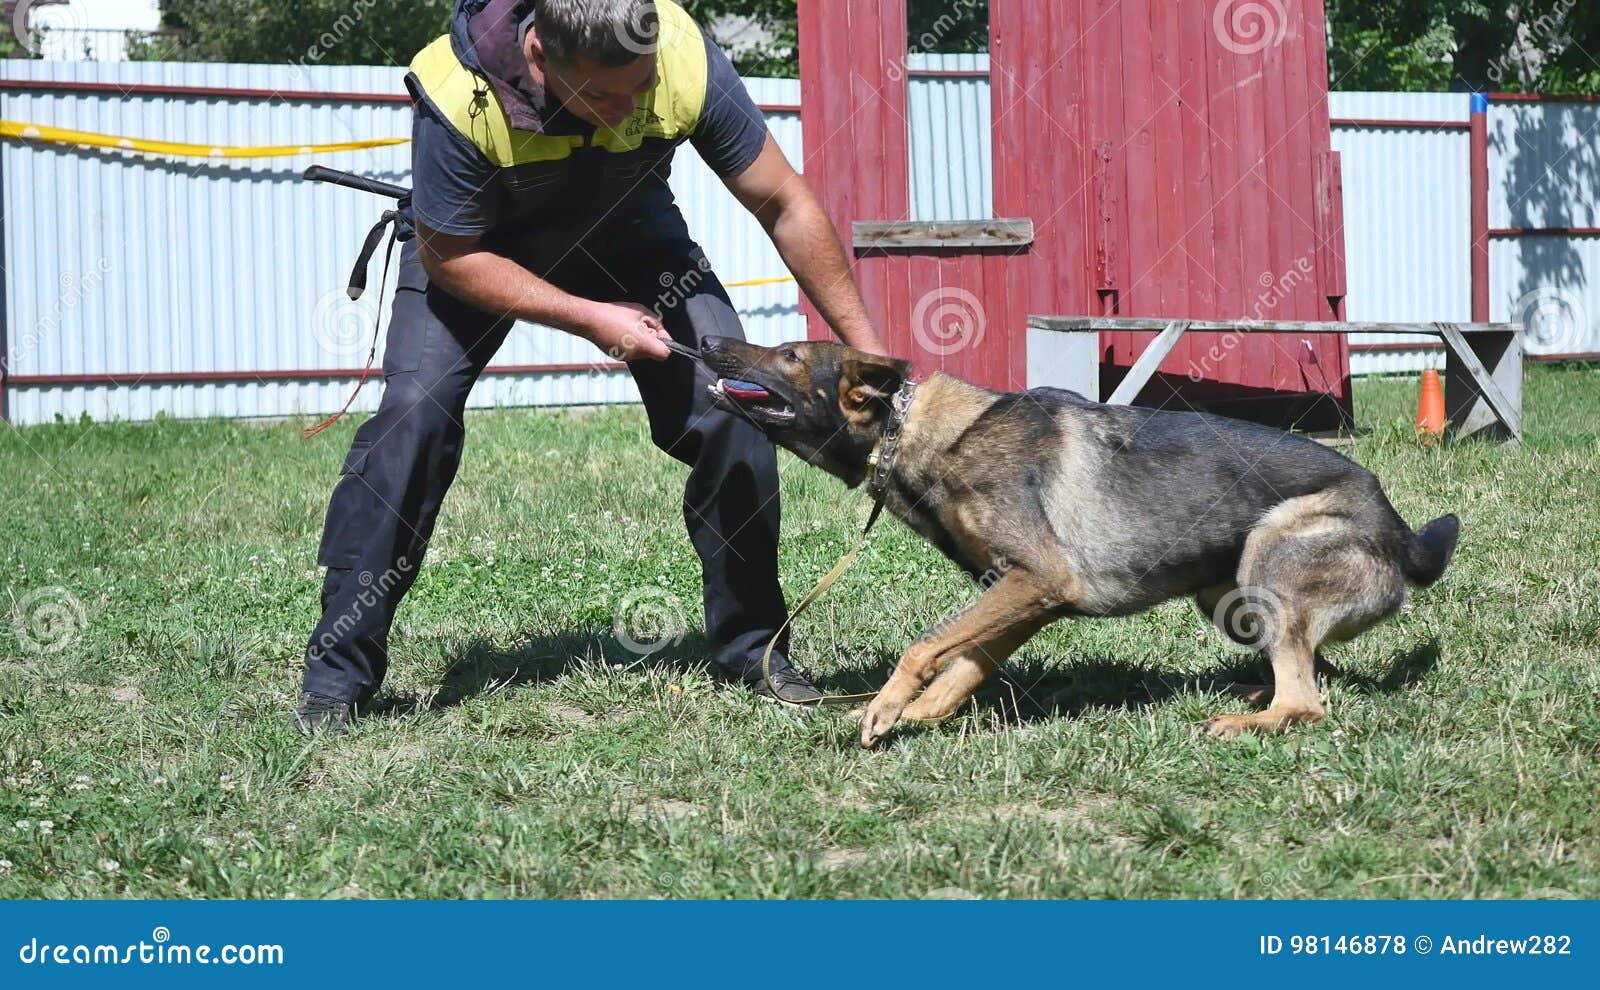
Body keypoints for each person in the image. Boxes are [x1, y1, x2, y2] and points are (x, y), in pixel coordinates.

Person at [294, 0, 887, 733]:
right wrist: (590, 317)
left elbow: (783, 201)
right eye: (605, 95)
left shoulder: (679, 53)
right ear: (539, 54)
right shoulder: (457, 90)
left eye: (640, 90)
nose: (628, 108)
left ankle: (754, 649)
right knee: (412, 422)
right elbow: (450, 257)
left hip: (635, 241)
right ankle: (337, 677)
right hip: (476, 251)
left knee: (738, 406)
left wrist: (865, 355)